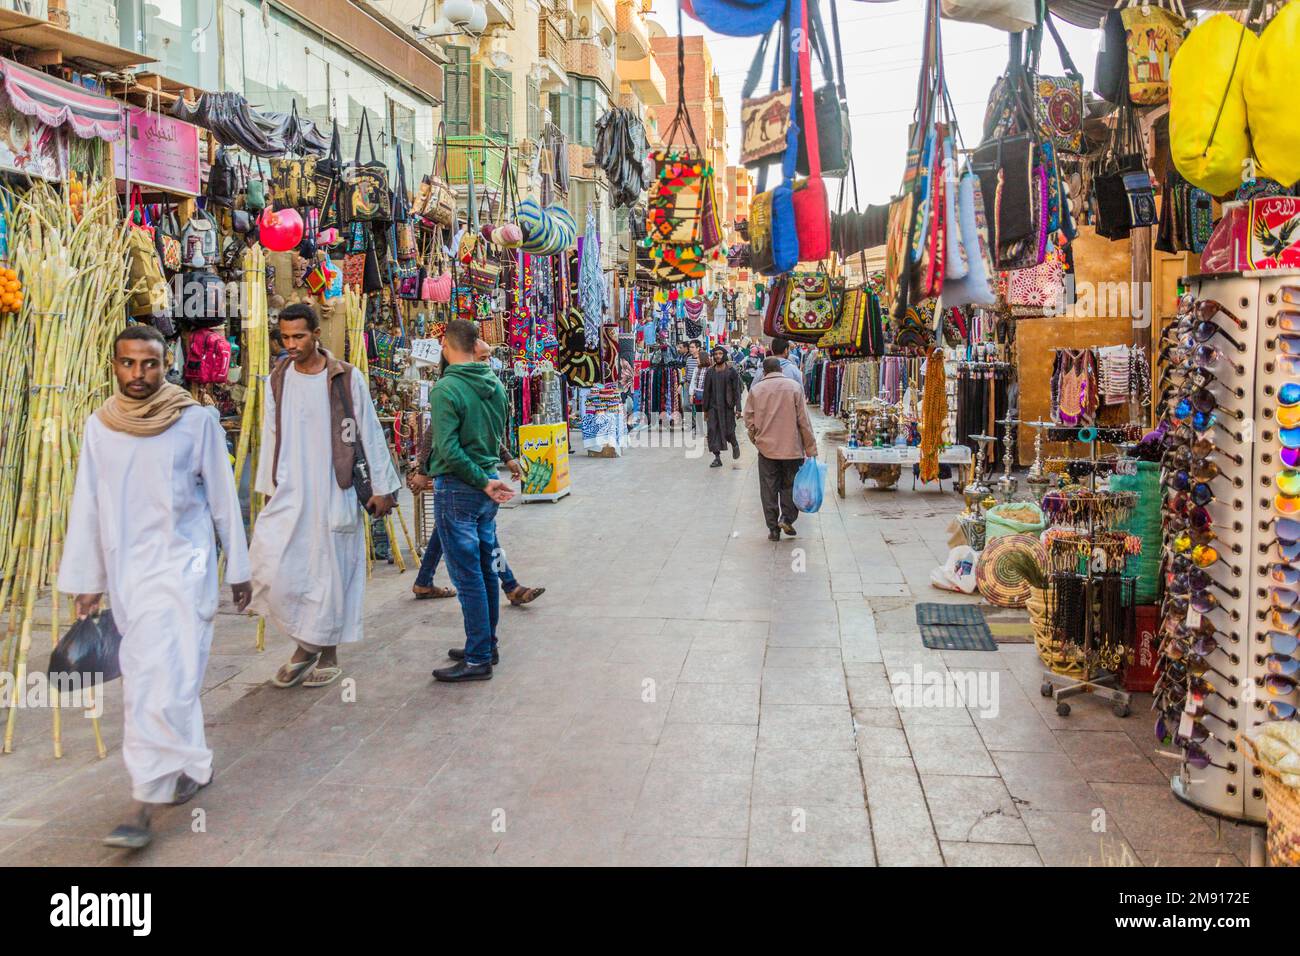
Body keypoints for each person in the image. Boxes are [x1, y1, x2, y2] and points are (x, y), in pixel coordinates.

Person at [58, 325, 251, 850]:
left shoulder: (195, 420)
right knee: (159, 677)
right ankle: (187, 766)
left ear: (167, 364)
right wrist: (88, 580)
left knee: (163, 678)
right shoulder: (100, 427)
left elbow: (221, 496)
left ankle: (143, 801)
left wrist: (239, 566)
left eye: (150, 364)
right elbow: (89, 504)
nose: (139, 374)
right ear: (114, 365)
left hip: (185, 570)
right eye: (128, 364)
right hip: (130, 577)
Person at [249, 302, 399, 690]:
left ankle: (324, 652)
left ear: (317, 333)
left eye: (299, 336)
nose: (292, 344)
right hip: (290, 487)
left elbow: (368, 431)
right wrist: (268, 487)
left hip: (336, 485)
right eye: (285, 337)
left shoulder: (346, 378)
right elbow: (270, 434)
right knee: (278, 568)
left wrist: (382, 487)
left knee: (330, 570)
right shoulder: (277, 380)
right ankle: (305, 644)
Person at [410, 338, 544, 607]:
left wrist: (507, 459)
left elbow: (487, 434)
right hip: (461, 481)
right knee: (484, 549)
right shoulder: (449, 390)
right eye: (482, 358)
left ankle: (424, 581)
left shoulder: (481, 387)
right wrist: (423, 471)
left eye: (486, 359)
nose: (486, 364)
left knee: (447, 534)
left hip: (469, 483)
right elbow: (434, 435)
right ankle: (509, 585)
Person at [427, 319, 516, 682]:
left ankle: (478, 657)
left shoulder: (446, 388)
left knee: (468, 577)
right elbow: (499, 433)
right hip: (486, 485)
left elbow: (446, 448)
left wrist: (480, 480)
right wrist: (489, 478)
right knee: (484, 570)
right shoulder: (493, 384)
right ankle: (485, 643)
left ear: (447, 346)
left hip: (461, 487)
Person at [745, 356, 818, 541]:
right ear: (781, 370)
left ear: (764, 371)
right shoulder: (794, 388)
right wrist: (810, 447)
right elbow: (804, 421)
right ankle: (786, 517)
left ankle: (773, 529)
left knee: (768, 488)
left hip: (766, 449)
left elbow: (749, 420)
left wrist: (756, 439)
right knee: (790, 485)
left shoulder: (756, 390)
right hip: (792, 448)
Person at [703, 344, 742, 468]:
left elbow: (737, 391)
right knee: (713, 431)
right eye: (715, 354)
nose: (718, 356)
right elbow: (706, 392)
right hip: (713, 407)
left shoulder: (732, 371)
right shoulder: (710, 372)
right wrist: (705, 410)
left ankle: (734, 444)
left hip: (727, 407)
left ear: (724, 355)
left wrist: (738, 408)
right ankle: (717, 457)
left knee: (729, 431)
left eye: (720, 354)